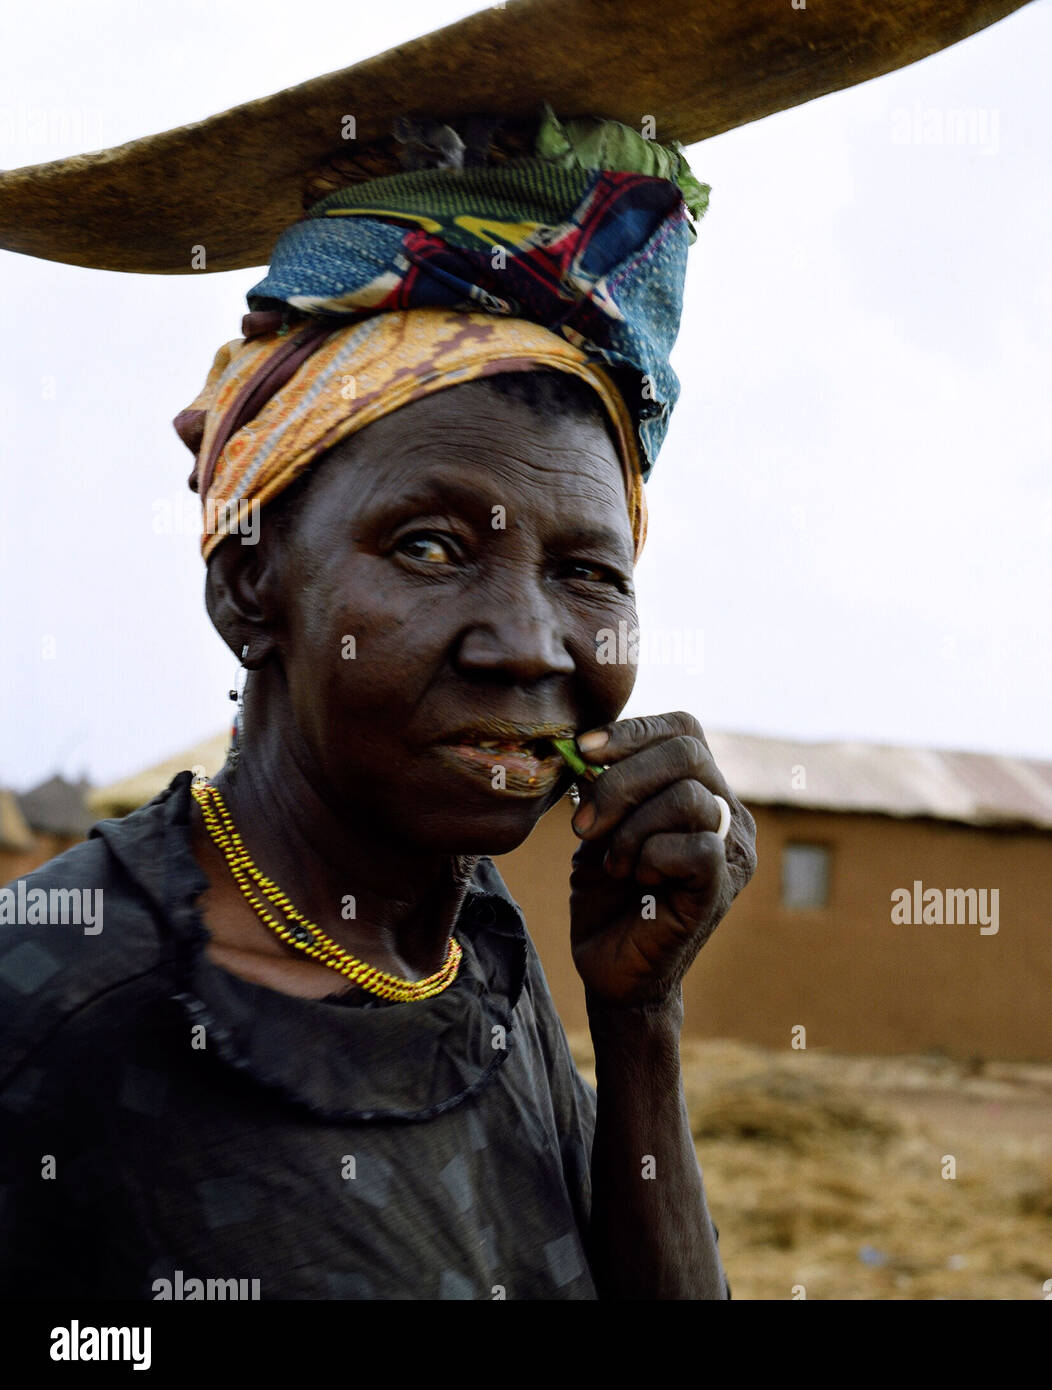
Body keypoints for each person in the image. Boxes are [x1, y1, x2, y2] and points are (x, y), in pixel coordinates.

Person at [0, 109, 755, 1300]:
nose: (528, 644)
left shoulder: (473, 952)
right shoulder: (53, 1000)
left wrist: (642, 1022)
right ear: (252, 586)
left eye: (587, 573)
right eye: (430, 546)